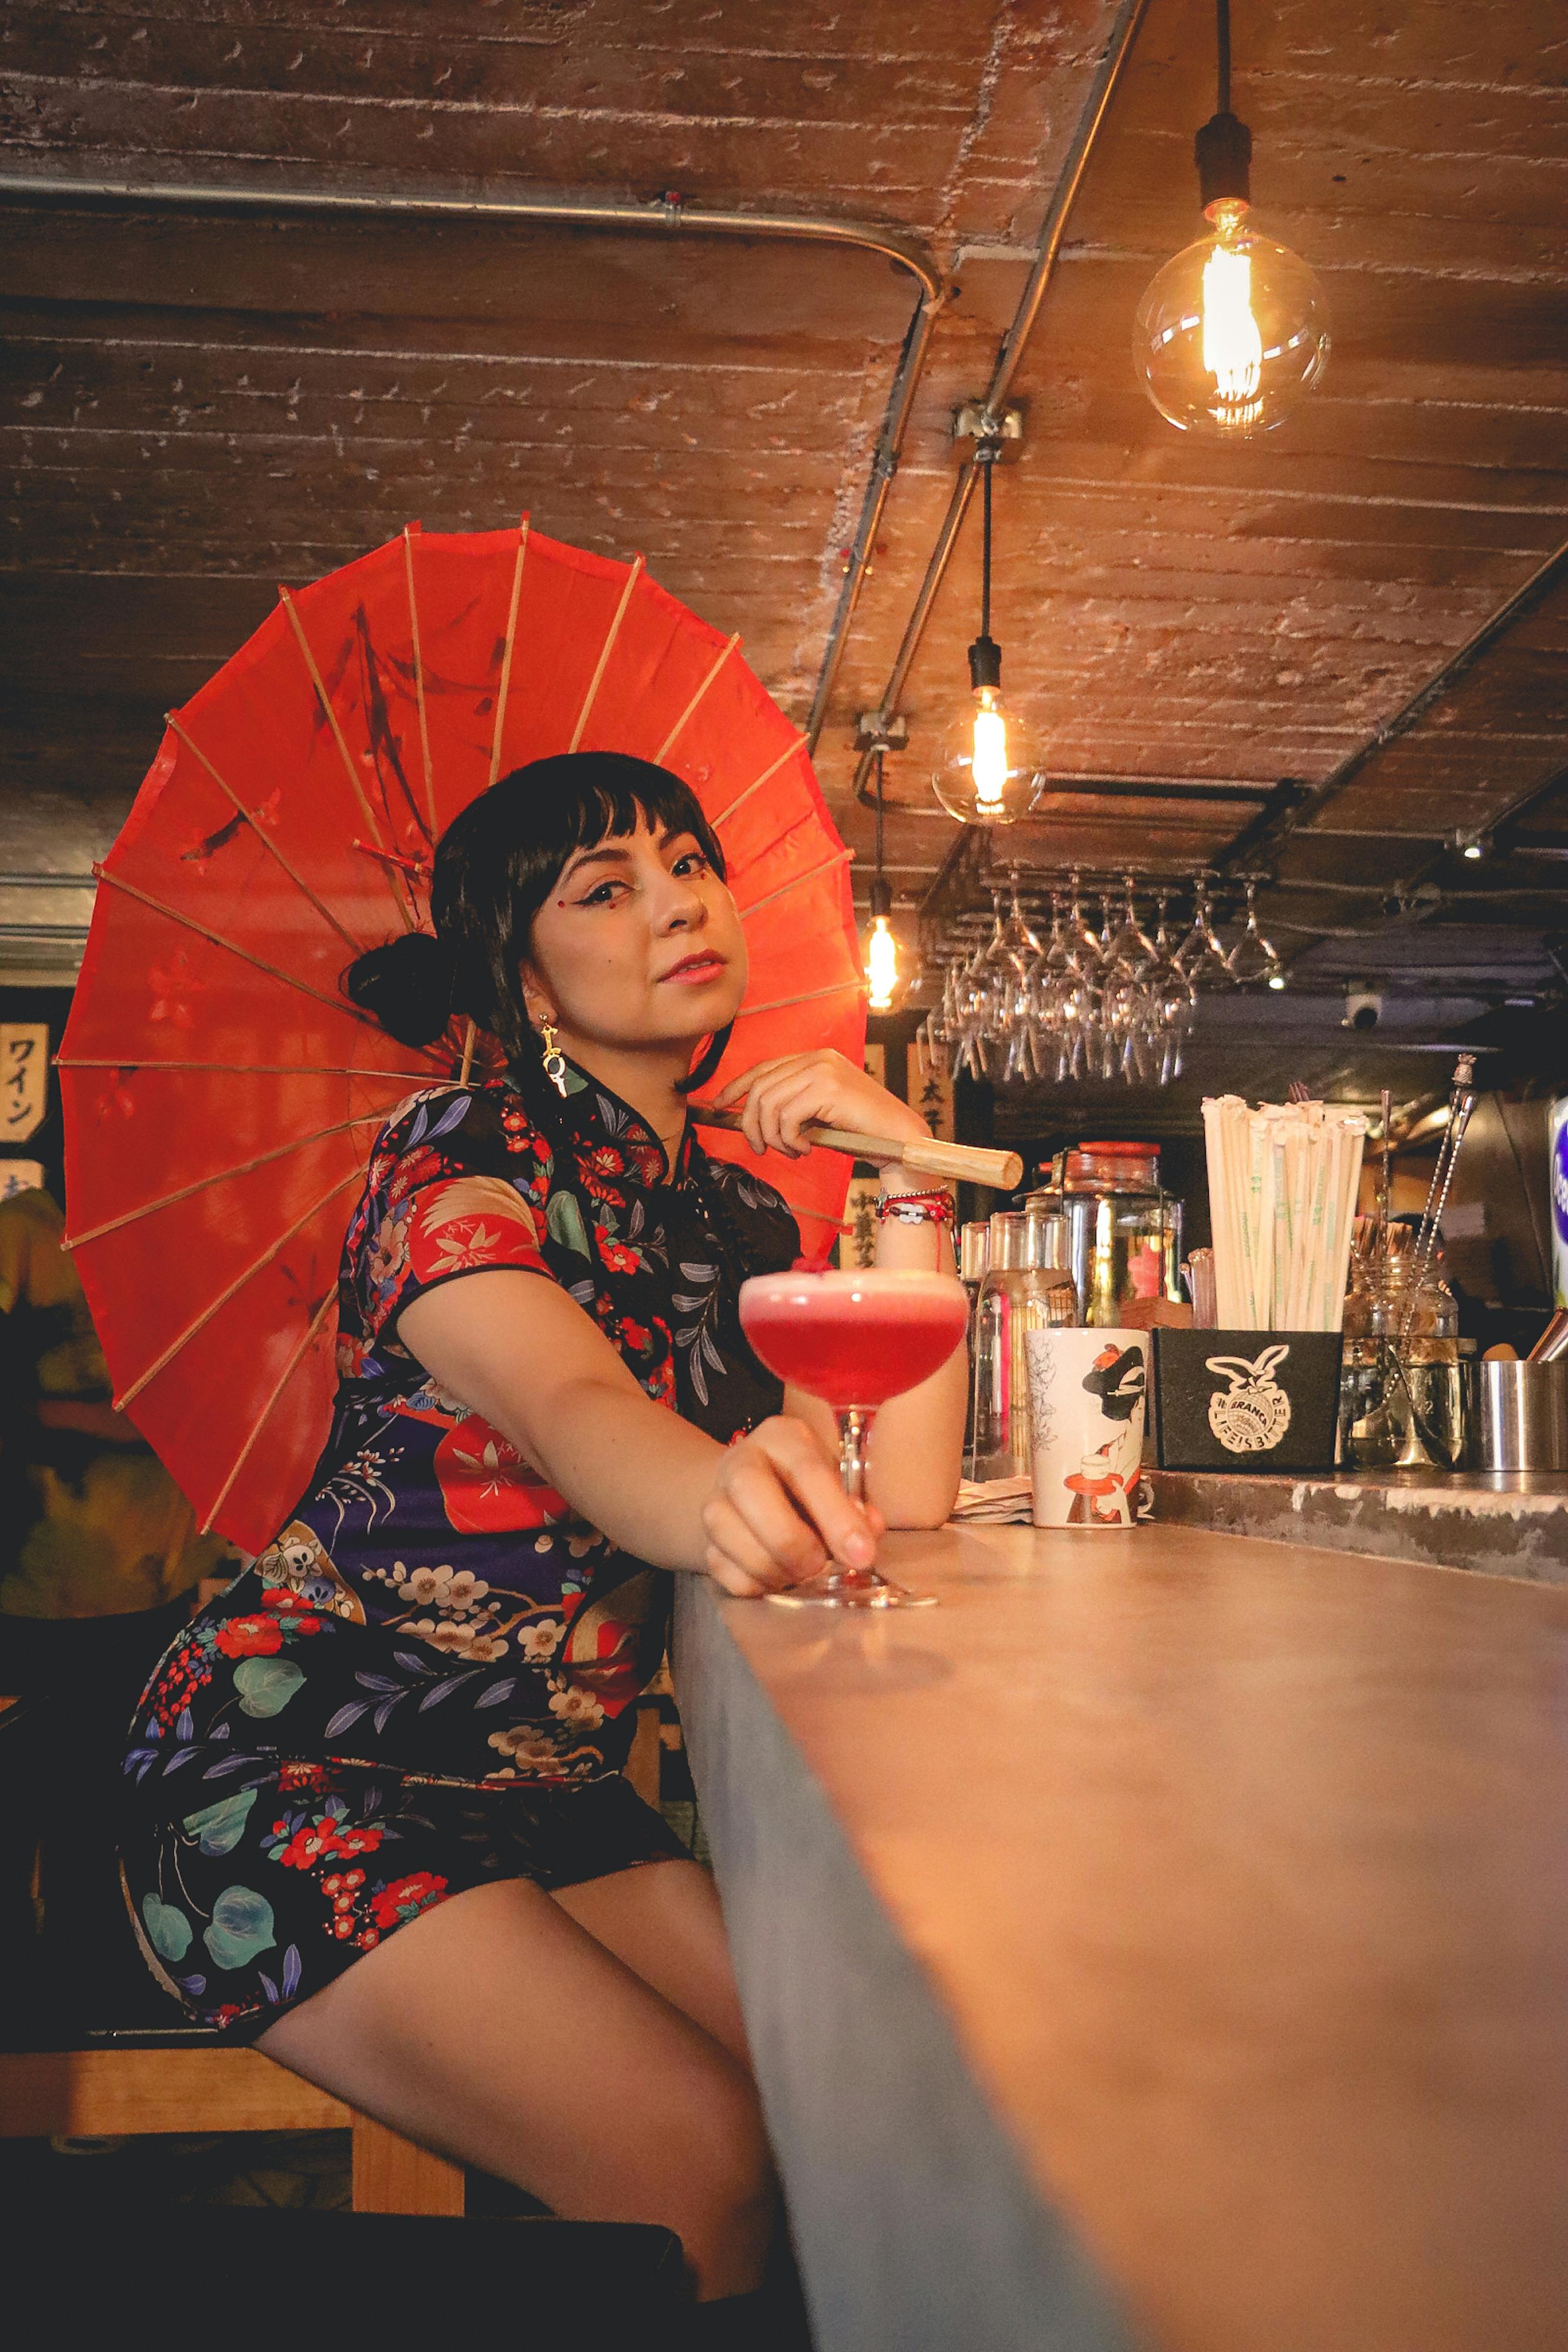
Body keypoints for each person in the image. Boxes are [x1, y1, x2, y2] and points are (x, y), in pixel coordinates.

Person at [116, 752, 965, 2333]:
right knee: (694, 2161)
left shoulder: (737, 1218)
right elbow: (576, 1408)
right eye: (607, 888)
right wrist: (720, 1501)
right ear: (525, 976)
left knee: (856, 2095)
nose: (678, 902)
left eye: (687, 862)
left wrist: (905, 1165)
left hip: (544, 1792)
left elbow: (898, 1491)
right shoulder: (457, 1154)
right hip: (290, 1773)